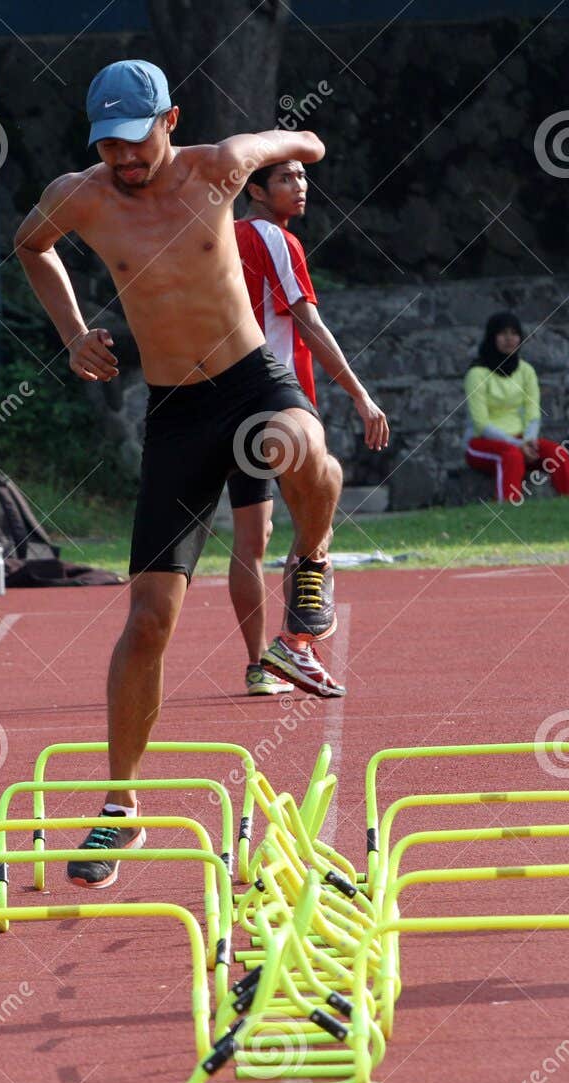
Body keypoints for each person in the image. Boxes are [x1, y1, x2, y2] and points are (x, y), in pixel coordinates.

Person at [13, 60, 355, 889]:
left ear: (170, 120)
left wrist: (287, 147)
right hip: (174, 412)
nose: (124, 161)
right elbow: (31, 245)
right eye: (109, 145)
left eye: (135, 142)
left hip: (248, 381)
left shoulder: (219, 165)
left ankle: (309, 562)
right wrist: (71, 332)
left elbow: (306, 140)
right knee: (149, 618)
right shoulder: (80, 195)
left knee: (299, 448)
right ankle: (120, 806)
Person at [229, 160, 389, 696]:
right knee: (319, 507)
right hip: (277, 401)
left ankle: (261, 665)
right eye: (286, 179)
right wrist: (361, 395)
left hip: (225, 403)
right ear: (255, 188)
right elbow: (308, 322)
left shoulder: (219, 239)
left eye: (302, 177)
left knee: (252, 540)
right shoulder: (274, 238)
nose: (300, 186)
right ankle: (296, 643)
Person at [463, 311, 569, 505]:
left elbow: (532, 412)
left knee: (557, 452)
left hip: (522, 440)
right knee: (512, 456)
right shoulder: (476, 374)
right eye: (503, 334)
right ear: (492, 337)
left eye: (514, 333)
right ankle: (508, 508)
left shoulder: (526, 371)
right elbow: (481, 423)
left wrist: (529, 441)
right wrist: (517, 445)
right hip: (482, 443)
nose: (509, 339)